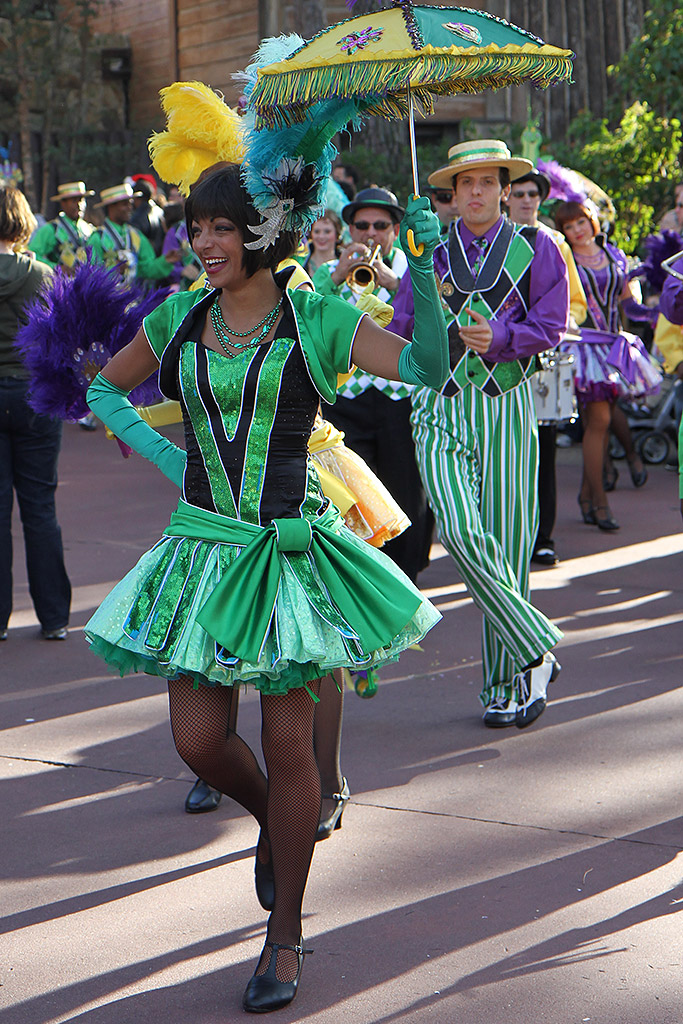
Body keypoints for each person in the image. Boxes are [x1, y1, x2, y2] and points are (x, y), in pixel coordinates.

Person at [83, 164, 447, 1013]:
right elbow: (106, 387)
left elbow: (428, 366)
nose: (203, 244)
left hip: (287, 555)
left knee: (291, 752)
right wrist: (173, 459)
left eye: (220, 229)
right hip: (203, 552)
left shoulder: (318, 315)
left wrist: (423, 266)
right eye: (196, 229)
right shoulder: (177, 317)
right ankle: (270, 829)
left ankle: (282, 934)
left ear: (261, 233)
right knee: (198, 743)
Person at [392, 139, 569, 729]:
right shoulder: (428, 246)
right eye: (464, 183)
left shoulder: (538, 247)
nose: (475, 192)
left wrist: (504, 338)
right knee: (464, 533)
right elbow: (401, 327)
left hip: (508, 406)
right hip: (439, 404)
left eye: (487, 182)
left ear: (502, 187)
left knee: (508, 546)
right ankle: (537, 643)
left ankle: (503, 684)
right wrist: (414, 268)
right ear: (451, 191)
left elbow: (551, 323)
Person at [313, 186, 433, 582]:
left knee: (403, 492)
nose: (370, 233)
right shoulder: (329, 270)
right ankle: (359, 580)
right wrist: (335, 277)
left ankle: (405, 581)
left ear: (396, 230)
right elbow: (309, 317)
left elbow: (422, 328)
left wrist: (397, 284)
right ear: (348, 230)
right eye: (361, 225)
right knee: (347, 495)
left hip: (398, 401)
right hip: (346, 399)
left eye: (380, 225)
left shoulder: (414, 271)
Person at [554, 200, 655, 531]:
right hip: (583, 346)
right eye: (568, 227)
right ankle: (600, 503)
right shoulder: (563, 259)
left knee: (603, 420)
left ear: (592, 220)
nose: (577, 231)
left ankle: (588, 495)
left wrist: (662, 308)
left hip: (614, 346)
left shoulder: (615, 256)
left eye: (580, 222)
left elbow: (631, 306)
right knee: (598, 420)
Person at [0, 186, 71, 641]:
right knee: (40, 507)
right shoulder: (44, 275)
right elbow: (63, 342)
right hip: (34, 396)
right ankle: (54, 617)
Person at [506, 169, 587, 566]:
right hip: (501, 364)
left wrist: (564, 319)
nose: (525, 200)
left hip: (544, 363)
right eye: (518, 193)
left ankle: (543, 537)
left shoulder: (555, 242)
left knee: (544, 452)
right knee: (503, 453)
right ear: (507, 197)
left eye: (532, 194)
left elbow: (576, 302)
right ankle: (503, 534)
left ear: (541, 199)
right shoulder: (492, 242)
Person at [87, 183, 179, 286]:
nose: (130, 208)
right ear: (111, 206)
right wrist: (112, 271)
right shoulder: (98, 238)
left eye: (130, 203)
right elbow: (90, 275)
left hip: (135, 300)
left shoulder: (136, 235)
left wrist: (166, 260)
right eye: (125, 204)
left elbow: (146, 268)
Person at [31, 181, 95, 272]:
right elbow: (33, 255)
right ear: (63, 204)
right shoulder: (51, 230)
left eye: (81, 200)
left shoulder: (89, 229)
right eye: (73, 201)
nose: (79, 204)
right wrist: (57, 268)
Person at [130, 176, 167, 256]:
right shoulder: (160, 211)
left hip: (146, 258)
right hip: (161, 255)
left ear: (138, 198)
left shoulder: (138, 217)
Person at [301, 209, 342, 276]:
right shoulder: (300, 261)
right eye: (317, 231)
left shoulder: (345, 261)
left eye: (327, 231)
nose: (321, 236)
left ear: (337, 234)